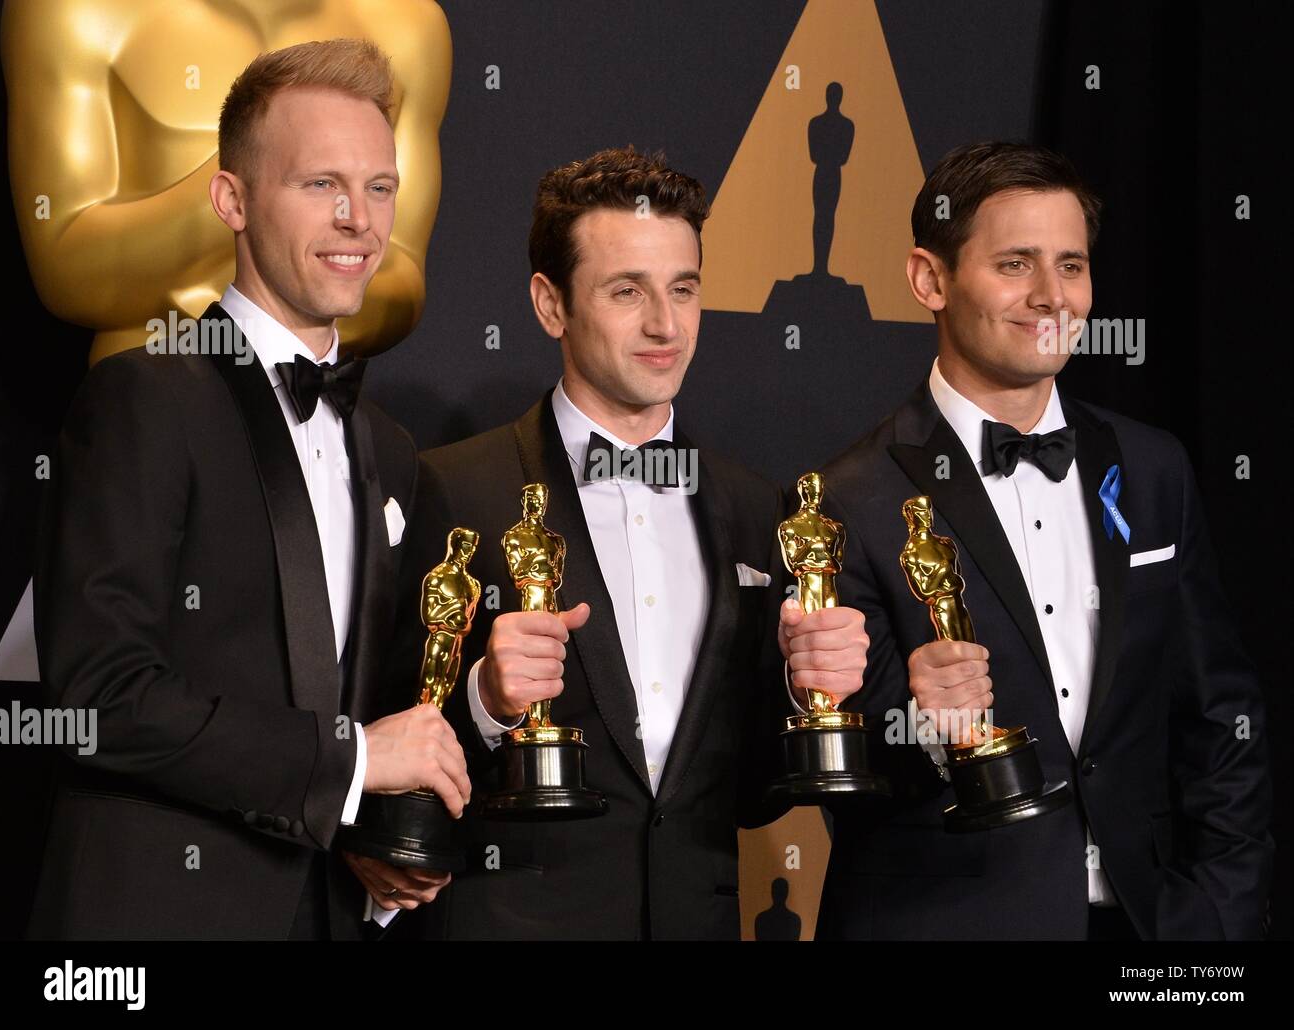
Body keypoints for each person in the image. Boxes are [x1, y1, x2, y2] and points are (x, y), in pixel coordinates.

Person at [28, 39, 468, 941]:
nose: (358, 219)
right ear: (231, 198)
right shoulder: (144, 395)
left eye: (379, 188)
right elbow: (97, 698)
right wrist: (347, 761)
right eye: (320, 185)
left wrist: (384, 827)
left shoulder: (388, 447)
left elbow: (375, 713)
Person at [393, 147, 869, 940]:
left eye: (684, 289)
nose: (665, 325)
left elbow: (751, 795)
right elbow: (379, 754)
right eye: (627, 291)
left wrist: (803, 695)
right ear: (551, 305)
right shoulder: (451, 491)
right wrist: (486, 700)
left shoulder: (758, 509)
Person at [813, 141, 1273, 940]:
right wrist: (922, 726)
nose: (1051, 297)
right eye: (1016, 264)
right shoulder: (846, 500)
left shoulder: (1153, 466)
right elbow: (837, 781)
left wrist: (1220, 915)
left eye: (1071, 265)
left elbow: (1219, 713)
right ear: (930, 279)